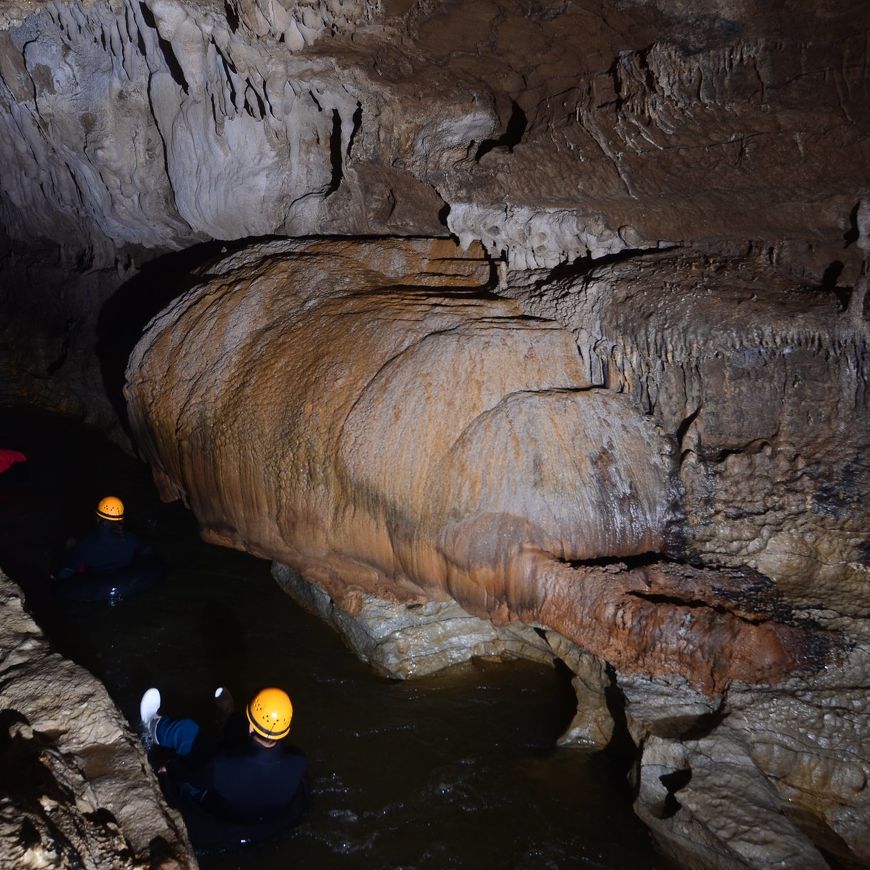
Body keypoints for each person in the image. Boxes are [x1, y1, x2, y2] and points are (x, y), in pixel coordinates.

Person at [139, 685, 310, 847]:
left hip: (217, 811)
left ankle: (152, 723)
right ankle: (229, 713)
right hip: (260, 820)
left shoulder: (222, 767)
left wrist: (170, 768)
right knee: (242, 736)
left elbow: (191, 777)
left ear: (250, 726)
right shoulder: (298, 761)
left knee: (188, 731)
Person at [53, 496, 151, 578]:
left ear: (97, 517)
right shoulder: (131, 539)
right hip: (124, 581)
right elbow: (147, 552)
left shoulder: (85, 545)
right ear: (121, 518)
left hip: (96, 585)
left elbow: (65, 573)